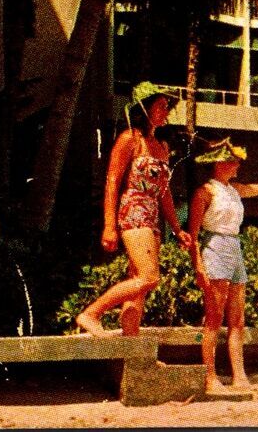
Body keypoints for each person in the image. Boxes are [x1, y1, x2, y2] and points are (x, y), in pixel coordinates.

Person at [75, 83, 192, 336]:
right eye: (161, 106)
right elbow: (112, 180)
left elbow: (165, 192)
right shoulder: (130, 139)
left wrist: (176, 228)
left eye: (167, 107)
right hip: (134, 210)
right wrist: (108, 225)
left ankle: (132, 344)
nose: (166, 112)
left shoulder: (160, 147)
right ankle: (91, 313)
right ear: (145, 107)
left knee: (138, 283)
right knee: (150, 277)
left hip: (152, 217)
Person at [190, 137, 258, 394]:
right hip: (215, 247)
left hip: (235, 248)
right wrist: (198, 266)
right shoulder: (205, 192)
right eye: (233, 161)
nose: (237, 165)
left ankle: (239, 375)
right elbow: (192, 235)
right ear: (219, 163)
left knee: (237, 320)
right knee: (214, 318)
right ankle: (210, 377)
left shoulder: (233, 190)